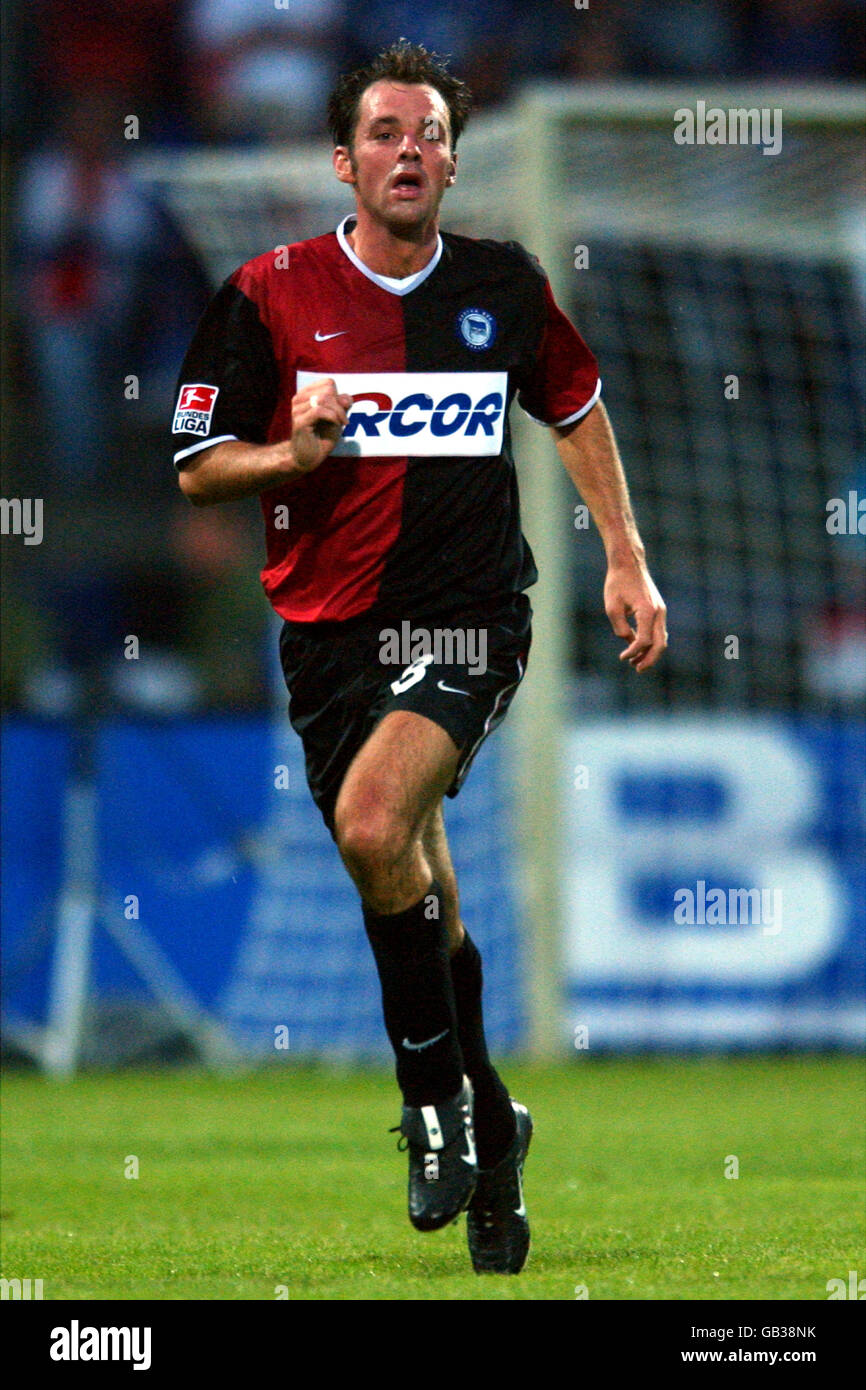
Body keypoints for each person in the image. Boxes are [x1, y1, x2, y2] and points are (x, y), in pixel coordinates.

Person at [171, 40, 667, 1275]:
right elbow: (191, 465)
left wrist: (623, 555)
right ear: (344, 163)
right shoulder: (268, 293)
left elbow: (574, 407)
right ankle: (492, 1130)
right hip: (327, 639)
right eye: (385, 132)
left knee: (370, 822)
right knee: (411, 875)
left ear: (452, 157)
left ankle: (433, 1110)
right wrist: (286, 458)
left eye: (429, 131)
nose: (409, 150)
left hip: (467, 620)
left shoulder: (499, 283)